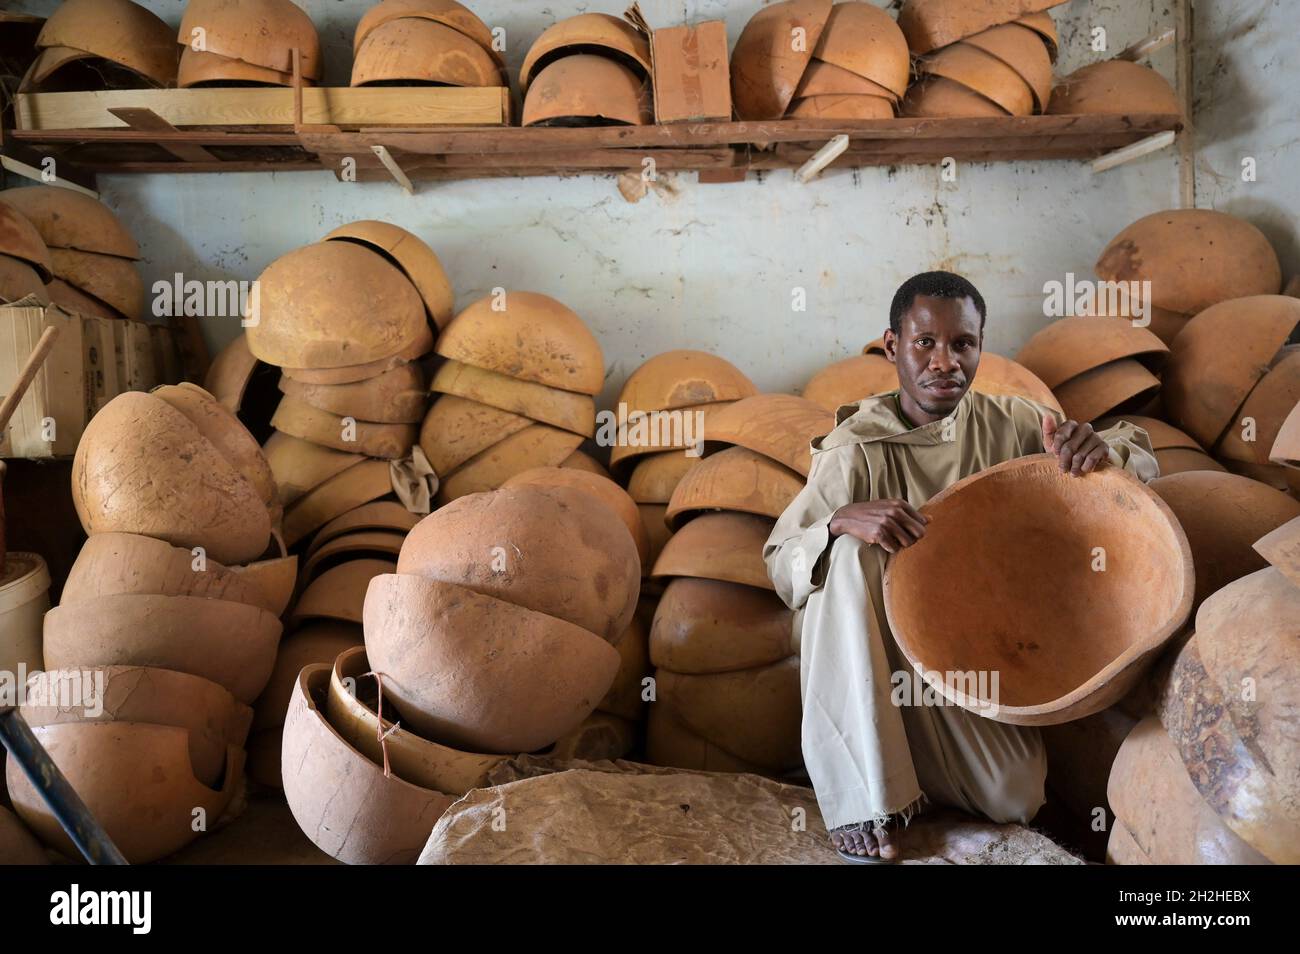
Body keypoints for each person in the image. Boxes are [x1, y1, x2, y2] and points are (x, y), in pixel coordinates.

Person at [763, 271, 1158, 863]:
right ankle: (862, 800)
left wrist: (1097, 450)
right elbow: (782, 563)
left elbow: (1137, 457)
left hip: (973, 657)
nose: (943, 362)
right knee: (848, 552)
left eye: (962, 344)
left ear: (979, 346)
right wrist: (838, 521)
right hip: (877, 659)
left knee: (1014, 798)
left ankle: (919, 790)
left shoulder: (1017, 425)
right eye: (924, 343)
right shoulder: (856, 448)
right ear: (893, 347)